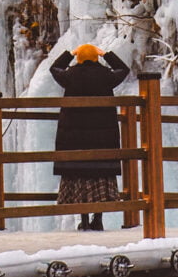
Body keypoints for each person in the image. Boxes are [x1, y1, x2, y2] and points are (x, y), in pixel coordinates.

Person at [50, 43, 129, 231]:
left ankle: (84, 220)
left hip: (74, 138)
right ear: (96, 58)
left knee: (80, 177)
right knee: (99, 174)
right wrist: (107, 54)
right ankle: (98, 218)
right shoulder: (106, 76)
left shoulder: (70, 76)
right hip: (103, 138)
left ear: (78, 58)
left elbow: (55, 68)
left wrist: (69, 53)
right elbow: (123, 69)